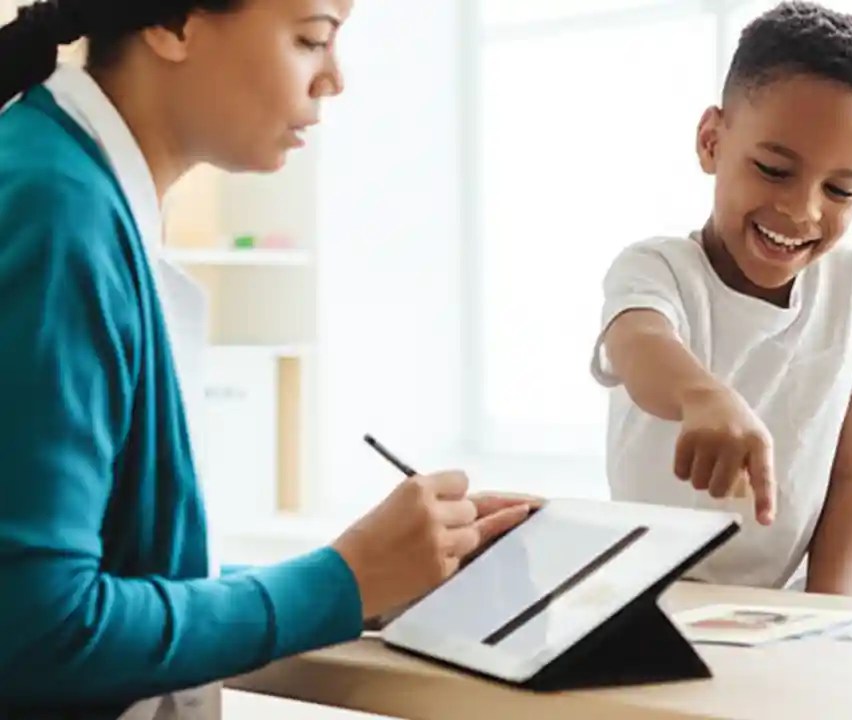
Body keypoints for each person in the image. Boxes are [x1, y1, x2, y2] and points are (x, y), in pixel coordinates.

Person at [0, 2, 532, 718]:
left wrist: (372, 578)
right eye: (312, 39)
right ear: (173, 24)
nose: (334, 79)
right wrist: (341, 582)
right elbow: (38, 629)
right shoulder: (59, 211)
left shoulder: (70, 181)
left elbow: (114, 580)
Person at [591, 1, 852, 596]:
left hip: (783, 611)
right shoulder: (656, 269)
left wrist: (828, 612)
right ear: (712, 141)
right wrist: (703, 396)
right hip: (651, 600)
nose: (803, 210)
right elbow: (640, 344)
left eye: (841, 189)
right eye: (772, 169)